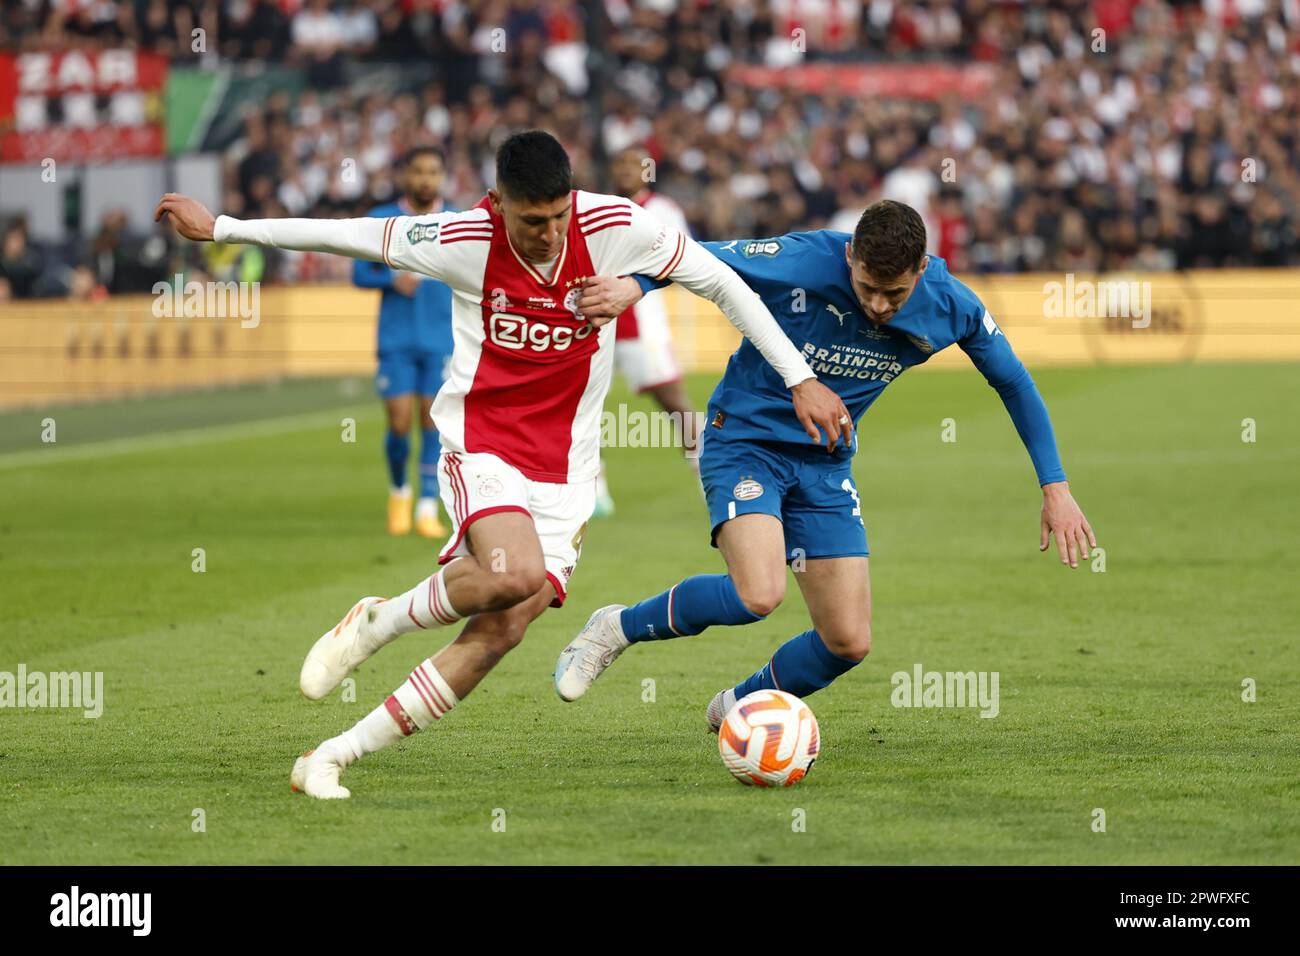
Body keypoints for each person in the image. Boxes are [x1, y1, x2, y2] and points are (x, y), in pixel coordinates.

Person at [154, 129, 850, 799]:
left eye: (554, 217)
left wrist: (796, 377)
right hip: (481, 441)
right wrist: (224, 229)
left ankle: (331, 756)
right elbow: (347, 232)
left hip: (567, 470)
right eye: (528, 220)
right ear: (497, 201)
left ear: (570, 201)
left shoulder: (614, 227)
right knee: (509, 572)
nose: (546, 234)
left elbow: (723, 282)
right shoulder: (459, 239)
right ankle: (379, 621)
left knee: (504, 628)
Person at [554, 200, 1097, 730]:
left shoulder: (950, 303)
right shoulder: (804, 258)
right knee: (758, 594)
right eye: (867, 289)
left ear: (922, 270)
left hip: (826, 464)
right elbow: (695, 257)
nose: (880, 306)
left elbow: (1014, 382)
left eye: (895, 294)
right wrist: (635, 285)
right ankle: (616, 627)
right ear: (850, 260)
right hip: (745, 442)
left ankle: (738, 706)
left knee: (848, 642)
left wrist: (1056, 487)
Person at [593, 144, 701, 516]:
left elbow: (685, 257)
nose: (625, 171)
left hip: (643, 323)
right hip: (598, 323)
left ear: (647, 170)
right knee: (585, 407)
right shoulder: (598, 207)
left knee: (674, 401)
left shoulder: (663, 210)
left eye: (633, 165)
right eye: (619, 163)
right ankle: (594, 490)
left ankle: (709, 474)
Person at [353, 147, 455, 538]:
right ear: (406, 177)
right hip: (396, 339)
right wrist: (390, 281)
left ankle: (428, 506)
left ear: (442, 176)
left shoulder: (454, 221)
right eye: (418, 172)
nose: (426, 179)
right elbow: (359, 274)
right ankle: (400, 491)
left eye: (433, 171)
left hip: (441, 339)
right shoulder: (382, 220)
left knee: (432, 420)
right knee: (398, 423)